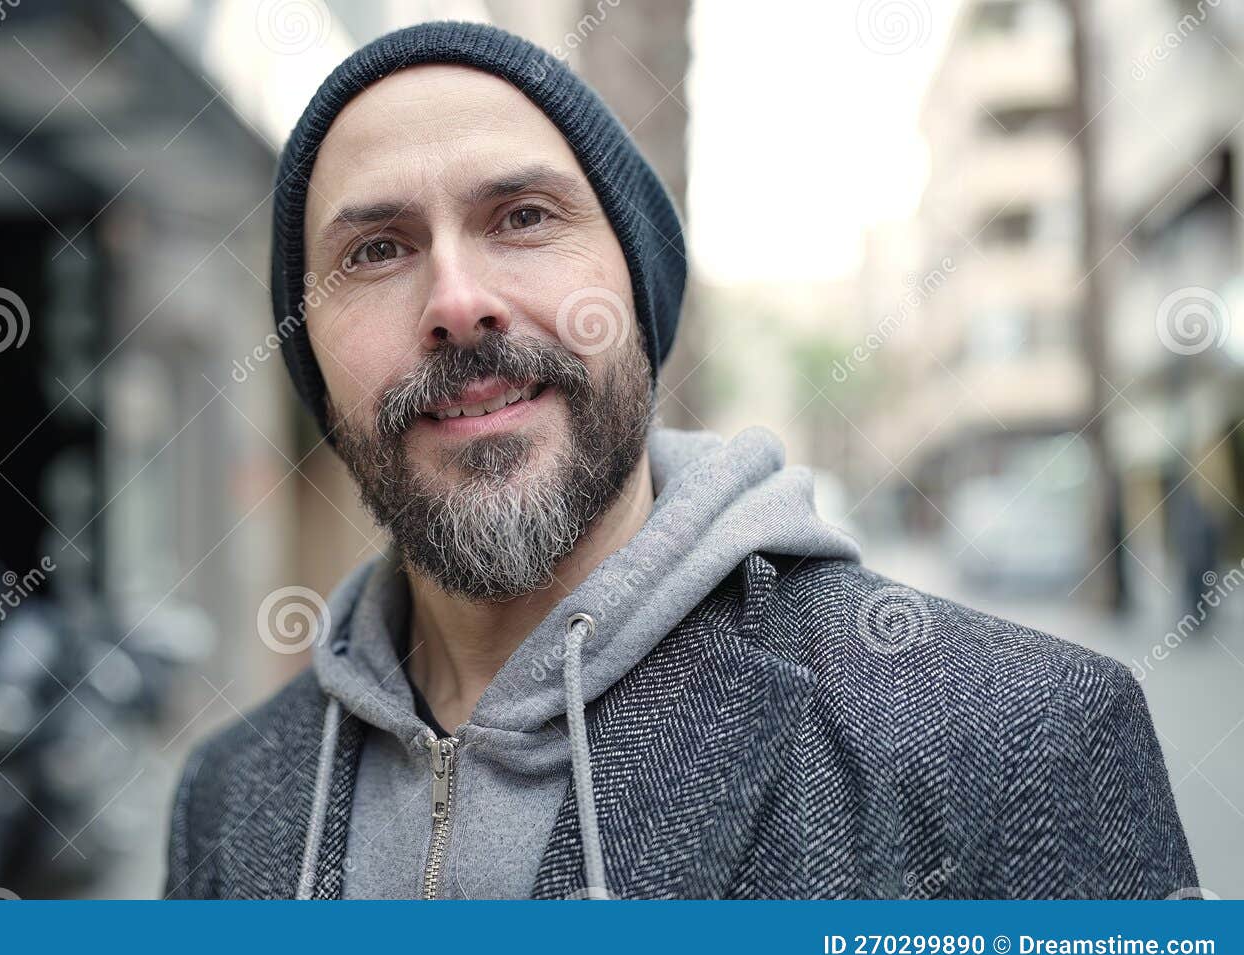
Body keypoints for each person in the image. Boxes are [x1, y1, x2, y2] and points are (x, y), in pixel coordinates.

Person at [165, 21, 1197, 899]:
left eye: (522, 218)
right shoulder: (227, 800)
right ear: (310, 356)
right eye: (376, 250)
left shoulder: (1018, 741)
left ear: (638, 293)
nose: (454, 301)